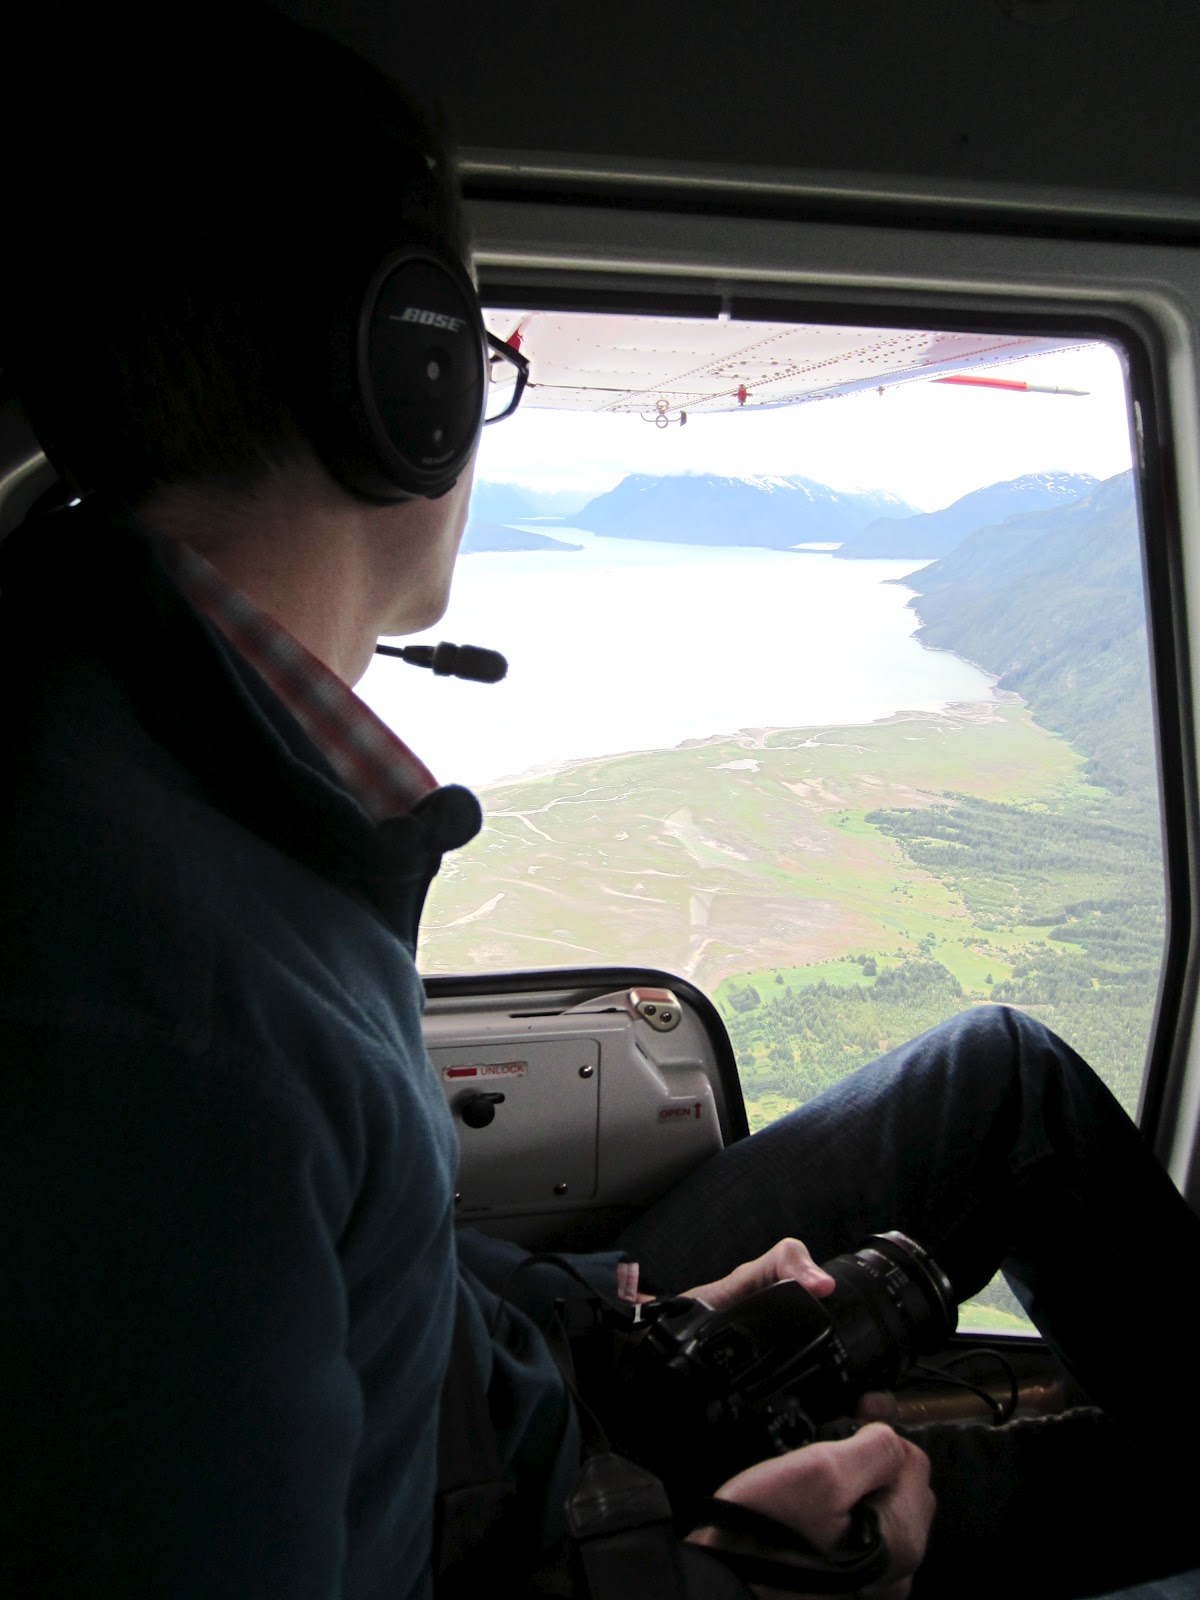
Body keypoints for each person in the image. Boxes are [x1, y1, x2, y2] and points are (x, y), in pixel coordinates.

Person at [2, 9, 1198, 1599]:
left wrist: (630, 1309)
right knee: (963, 1495)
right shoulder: (152, 1032)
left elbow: (381, 1271)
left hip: (528, 1391)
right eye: (481, 360)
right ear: (406, 374)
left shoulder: (155, 736)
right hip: (552, 1516)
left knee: (1006, 1087)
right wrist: (762, 1570)